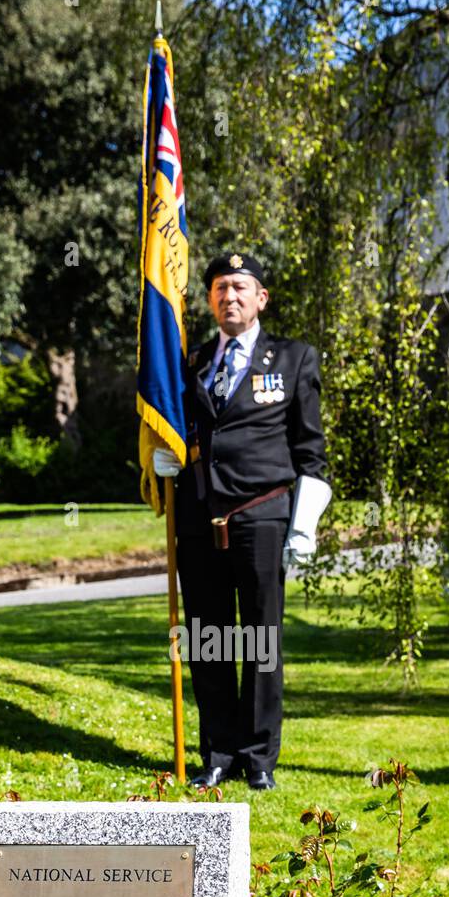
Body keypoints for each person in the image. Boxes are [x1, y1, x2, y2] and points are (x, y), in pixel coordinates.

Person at [154, 251, 331, 790]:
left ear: (261, 298)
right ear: (209, 300)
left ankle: (258, 757)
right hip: (199, 518)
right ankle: (218, 754)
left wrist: (305, 524)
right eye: (219, 289)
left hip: (261, 517)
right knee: (209, 637)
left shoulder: (294, 359)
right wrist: (165, 452)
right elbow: (176, 424)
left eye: (238, 287)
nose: (228, 297)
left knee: (259, 639)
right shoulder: (191, 363)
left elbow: (311, 450)